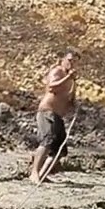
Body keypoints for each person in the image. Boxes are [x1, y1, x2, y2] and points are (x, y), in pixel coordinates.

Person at [30, 51, 76, 183]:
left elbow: (71, 98)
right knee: (47, 140)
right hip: (47, 112)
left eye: (75, 62)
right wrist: (68, 78)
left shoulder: (70, 78)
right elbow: (52, 87)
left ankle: (43, 175)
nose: (72, 63)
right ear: (63, 60)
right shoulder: (57, 71)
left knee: (60, 150)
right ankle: (34, 173)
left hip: (58, 116)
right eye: (70, 60)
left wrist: (73, 82)